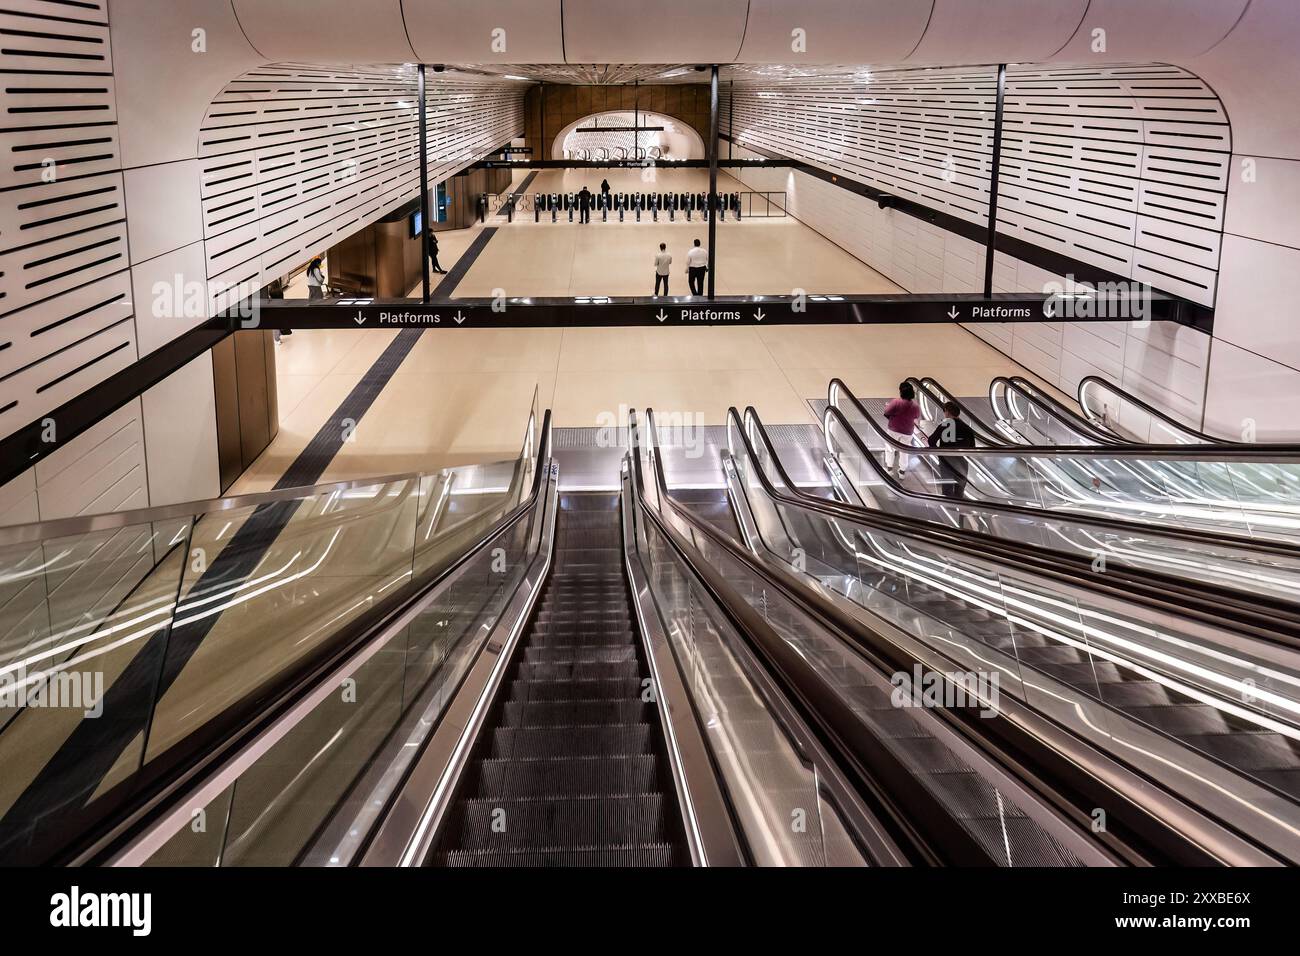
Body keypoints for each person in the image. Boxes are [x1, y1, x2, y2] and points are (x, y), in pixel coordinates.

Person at [927, 401, 976, 498]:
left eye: (945, 412)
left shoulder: (944, 426)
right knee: (960, 488)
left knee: (947, 488)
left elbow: (931, 441)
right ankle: (959, 506)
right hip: (962, 461)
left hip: (946, 461)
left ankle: (949, 509)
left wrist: (940, 453)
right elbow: (972, 448)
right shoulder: (967, 428)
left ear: (948, 412)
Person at [881, 381, 922, 480]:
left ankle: (890, 469)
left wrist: (888, 406)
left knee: (890, 448)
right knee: (904, 451)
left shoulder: (896, 402)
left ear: (901, 392)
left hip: (893, 429)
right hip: (907, 431)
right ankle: (902, 471)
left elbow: (886, 412)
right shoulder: (915, 406)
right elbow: (916, 416)